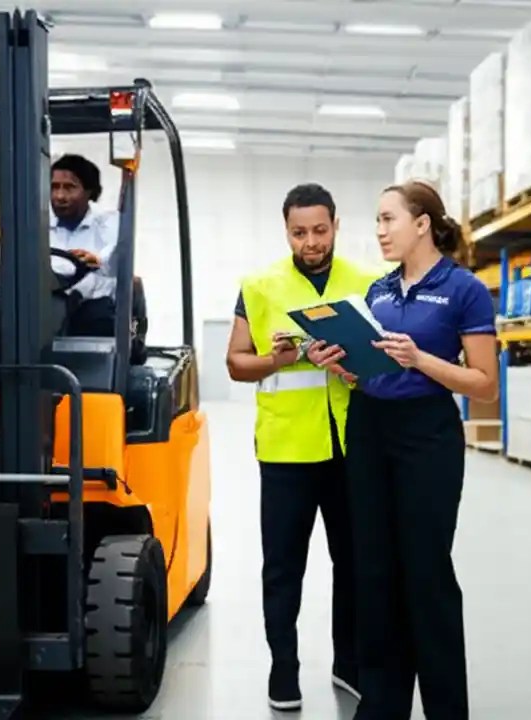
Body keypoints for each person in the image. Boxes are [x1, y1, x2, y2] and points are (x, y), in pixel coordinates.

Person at [307, 180, 499, 720]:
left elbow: (485, 384)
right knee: (373, 570)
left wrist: (422, 360)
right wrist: (338, 364)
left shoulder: (463, 290)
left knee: (426, 572)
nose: (380, 230)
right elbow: (372, 370)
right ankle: (383, 703)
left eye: (388, 219)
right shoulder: (378, 292)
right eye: (377, 221)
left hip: (427, 435)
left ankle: (445, 708)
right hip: (369, 427)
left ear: (422, 224)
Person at [226, 183, 378, 711]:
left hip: (352, 445)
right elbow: (235, 363)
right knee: (283, 567)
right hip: (287, 448)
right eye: (299, 232)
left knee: (354, 562)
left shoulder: (370, 281)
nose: (310, 242)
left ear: (336, 225)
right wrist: (282, 360)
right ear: (285, 230)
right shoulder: (260, 285)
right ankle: (283, 670)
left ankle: (349, 663)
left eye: (319, 230)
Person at [49, 153, 119, 336]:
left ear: (89, 191)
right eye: (54, 187)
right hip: (46, 309)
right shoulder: (37, 226)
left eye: (70, 188)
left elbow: (115, 262)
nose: (60, 196)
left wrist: (97, 260)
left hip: (92, 313)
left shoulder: (108, 223)